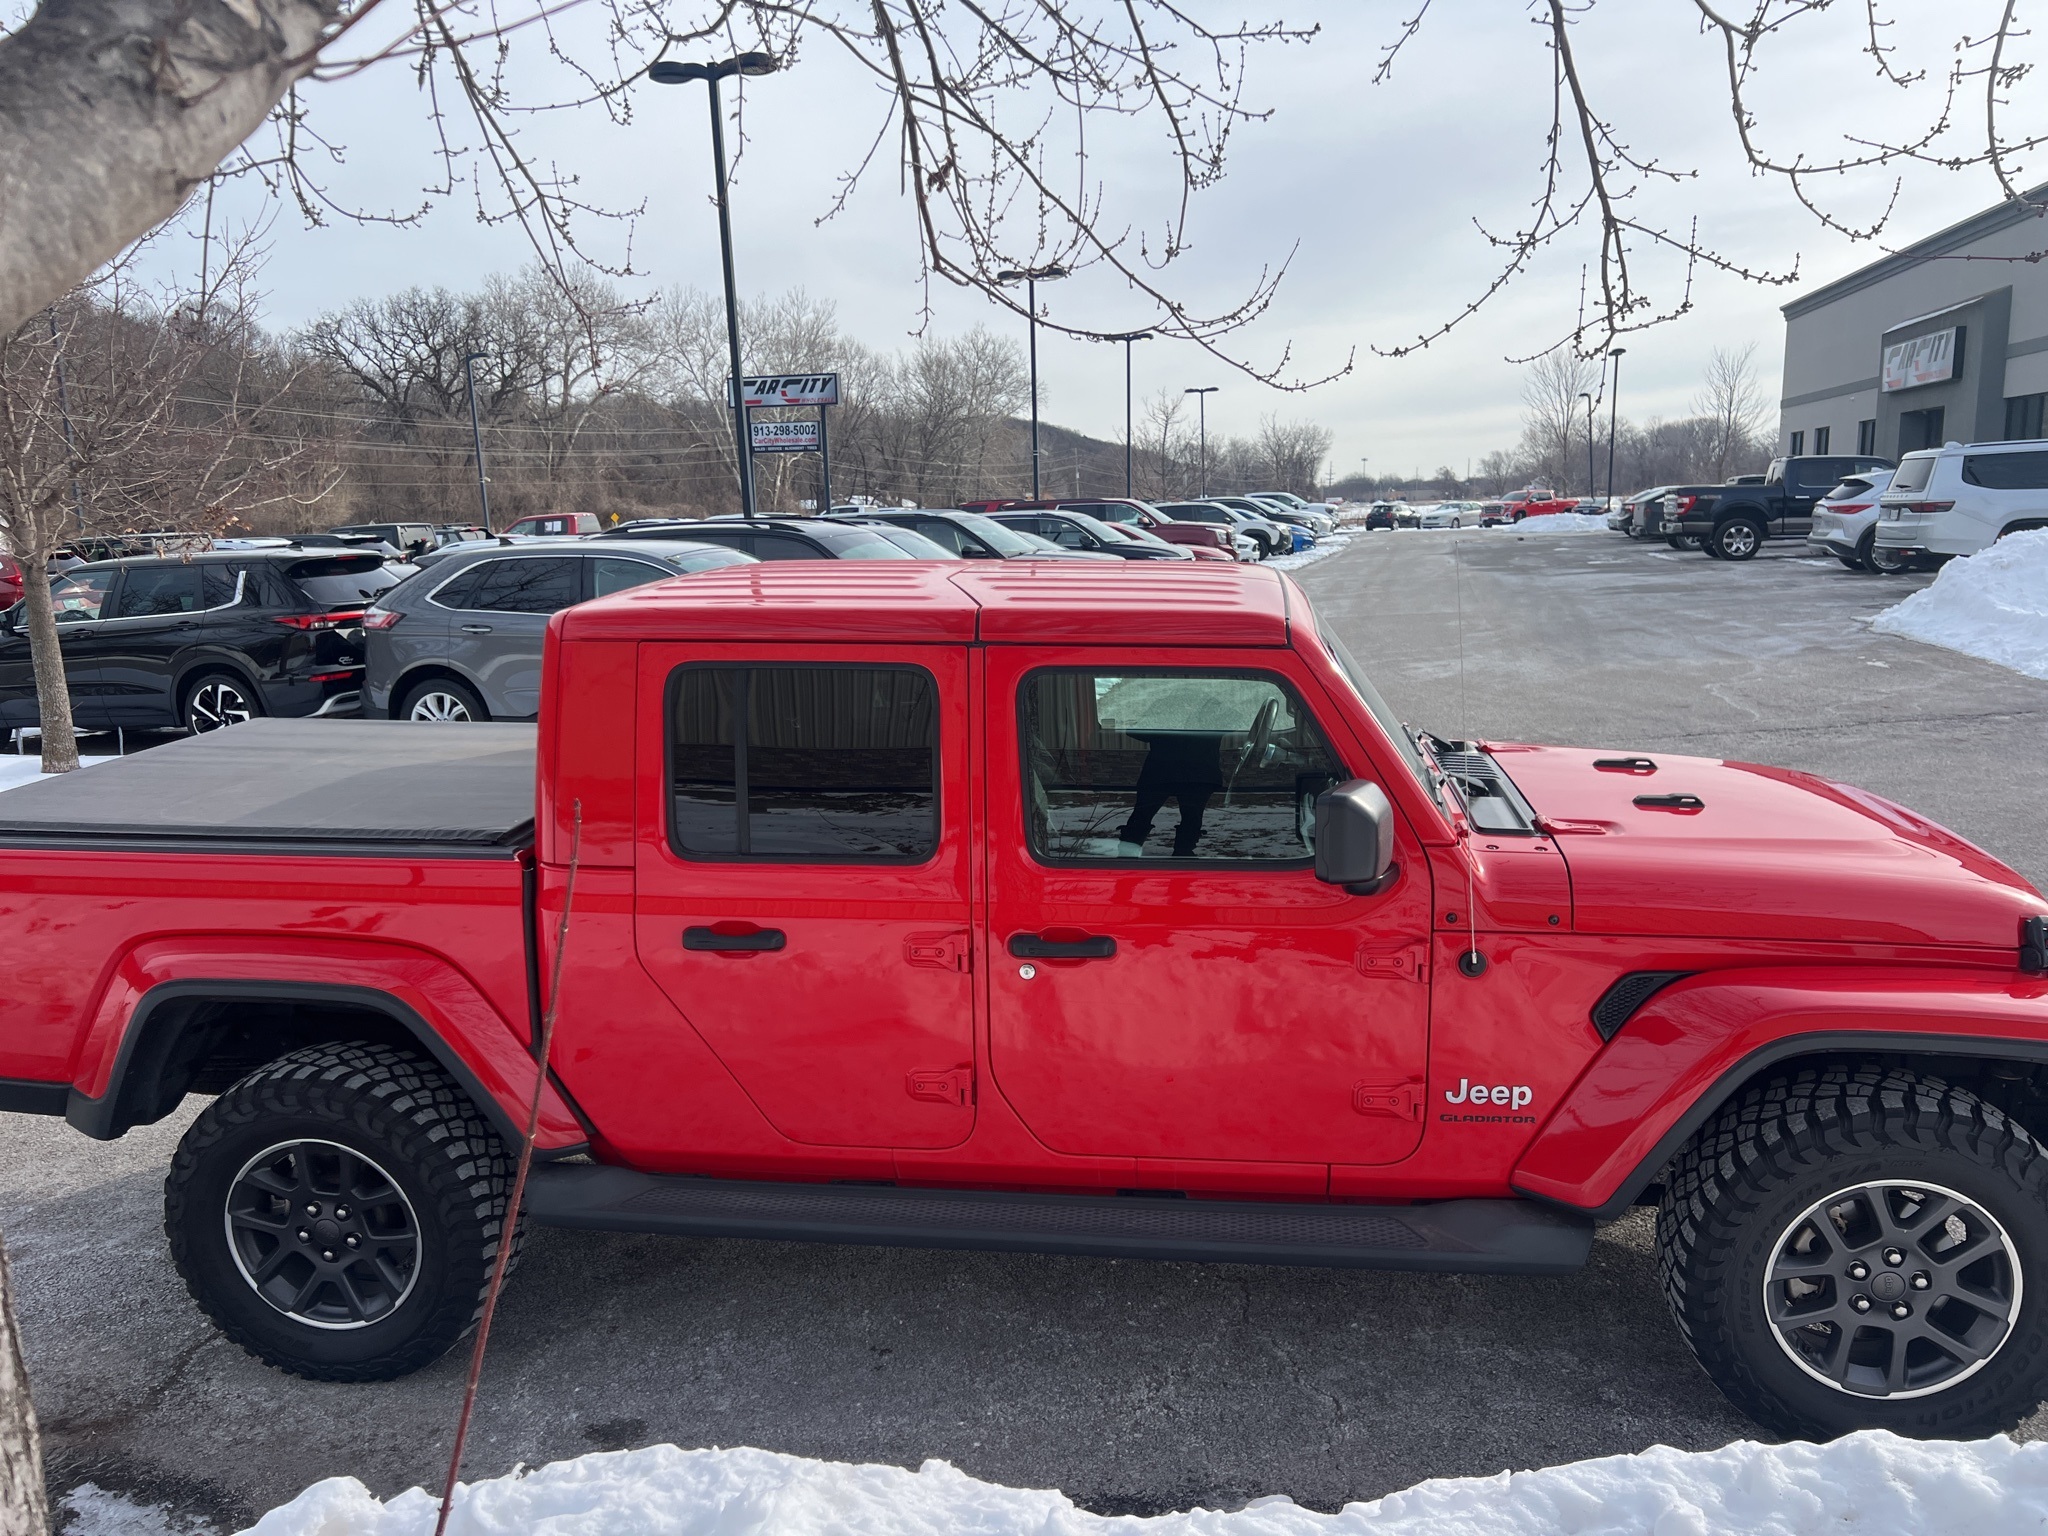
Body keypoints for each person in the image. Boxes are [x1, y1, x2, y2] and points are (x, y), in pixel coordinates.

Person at [1118, 732, 1223, 857]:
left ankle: (1128, 852)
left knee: (1143, 814)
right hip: (1198, 771)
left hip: (1163, 770)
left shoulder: (1166, 720)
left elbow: (1136, 731)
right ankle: (1183, 852)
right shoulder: (1210, 720)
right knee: (1191, 816)